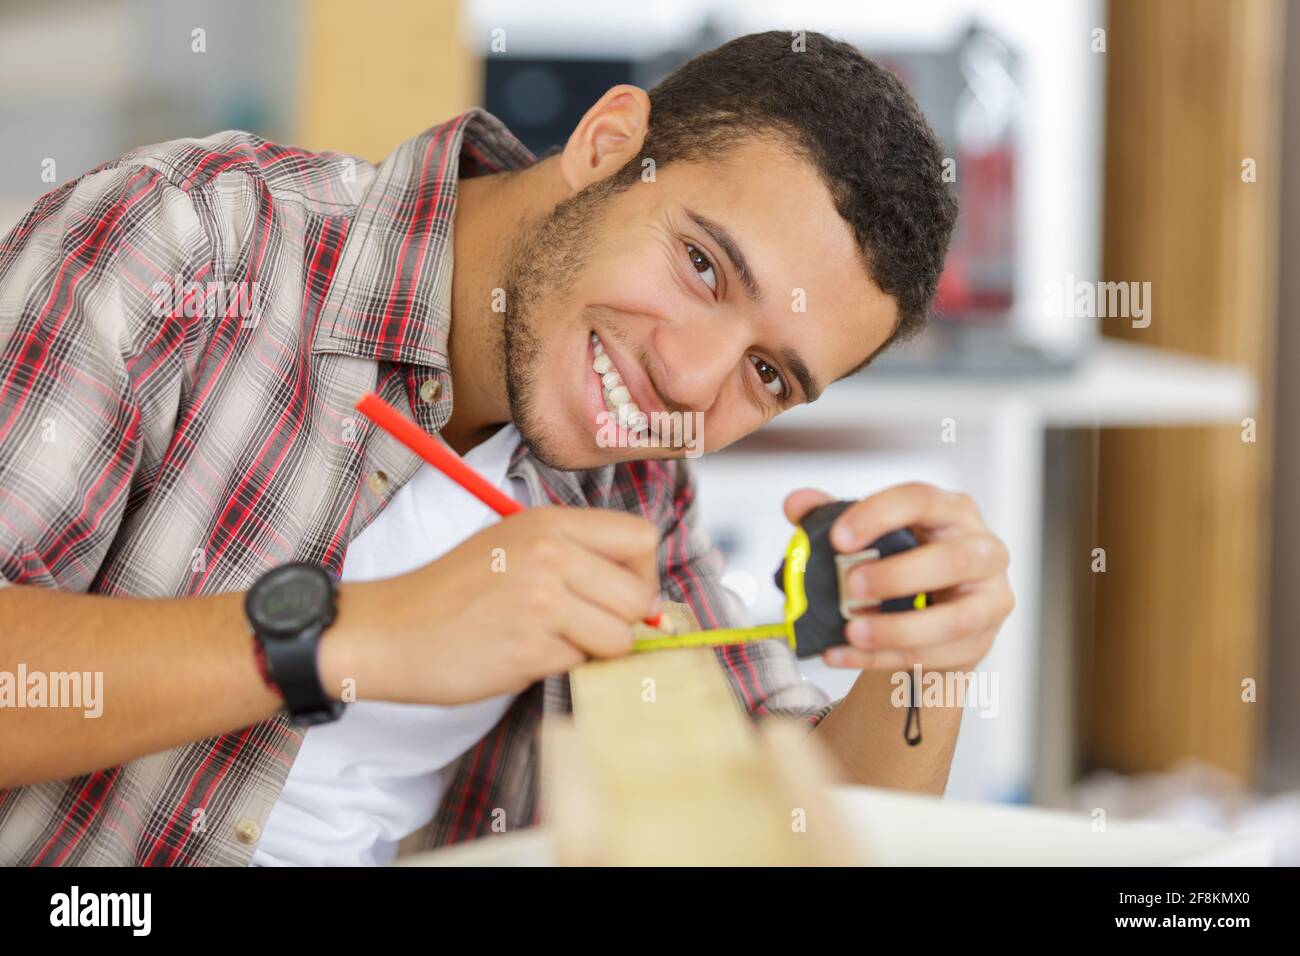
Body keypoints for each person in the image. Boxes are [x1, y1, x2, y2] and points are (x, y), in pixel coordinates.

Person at [0, 31, 1012, 866]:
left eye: (768, 375)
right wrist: (351, 636)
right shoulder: (190, 242)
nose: (692, 381)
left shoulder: (632, 479)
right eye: (703, 266)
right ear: (609, 143)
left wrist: (925, 661)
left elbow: (790, 833)